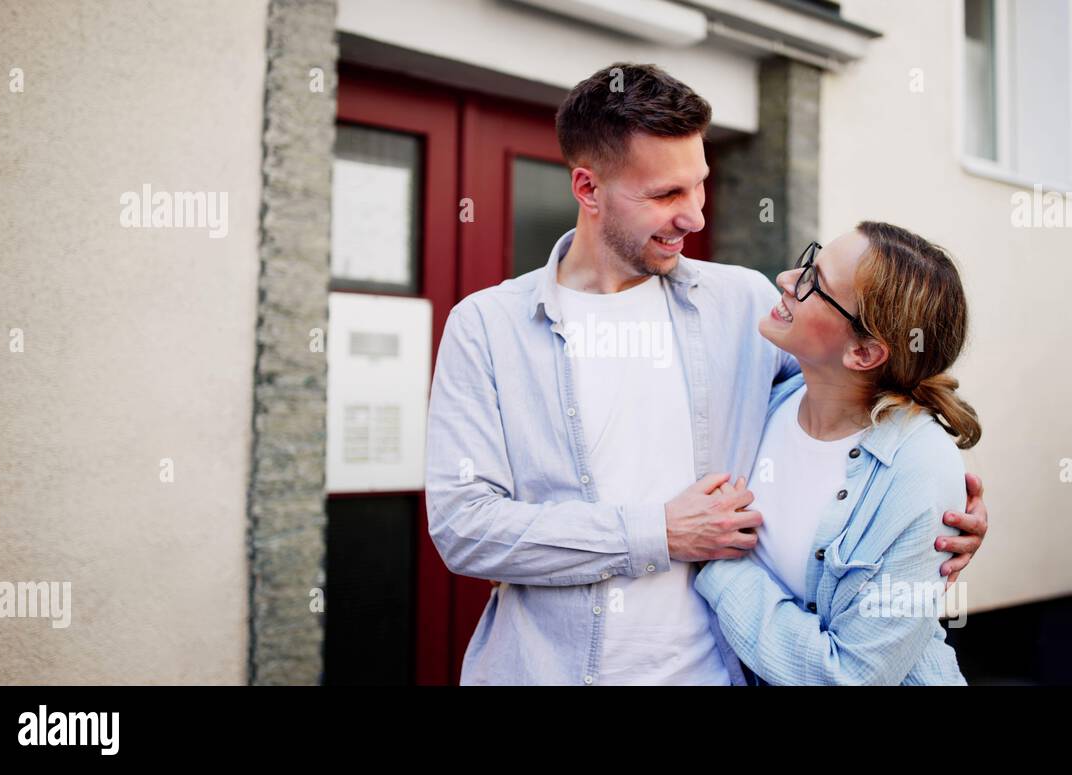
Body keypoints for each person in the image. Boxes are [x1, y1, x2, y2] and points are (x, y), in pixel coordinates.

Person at [424, 63, 989, 685]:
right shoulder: (486, 327)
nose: (694, 216)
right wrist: (656, 532)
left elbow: (856, 405)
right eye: (666, 195)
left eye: (700, 185)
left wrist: (931, 520)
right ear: (588, 189)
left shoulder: (744, 304)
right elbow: (465, 530)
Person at [696, 224, 977, 685]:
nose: (788, 278)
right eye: (809, 261)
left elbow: (847, 677)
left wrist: (717, 563)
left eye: (814, 284)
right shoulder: (765, 403)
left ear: (864, 352)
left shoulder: (920, 468)